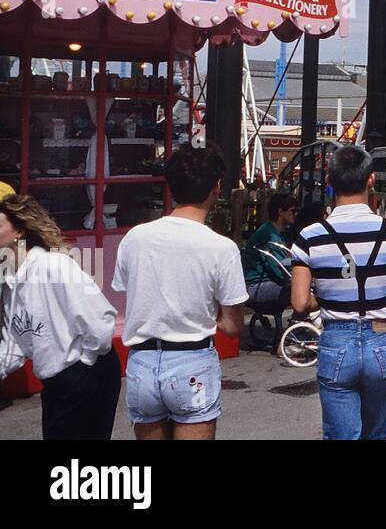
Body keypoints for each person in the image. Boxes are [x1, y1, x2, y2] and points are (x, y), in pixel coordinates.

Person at [112, 145, 247, 440]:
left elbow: (128, 293)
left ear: (171, 188)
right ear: (217, 188)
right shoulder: (221, 248)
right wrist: (216, 318)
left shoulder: (135, 238)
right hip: (192, 360)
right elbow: (234, 326)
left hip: (142, 362)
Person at [291, 146, 386, 440]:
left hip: (336, 341)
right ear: (371, 180)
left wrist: (329, 296)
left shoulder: (310, 237)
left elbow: (299, 302)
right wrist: (384, 295)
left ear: (329, 181)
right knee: (378, 434)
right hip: (380, 340)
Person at [0, 195, 121, 439]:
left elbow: (101, 323)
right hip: (57, 381)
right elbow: (13, 345)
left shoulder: (54, 265)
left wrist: (81, 365)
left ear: (19, 232)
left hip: (86, 373)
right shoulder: (8, 280)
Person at [244, 192, 297, 310]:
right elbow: (280, 271)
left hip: (268, 283)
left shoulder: (278, 233)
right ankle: (298, 323)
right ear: (280, 212)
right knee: (303, 290)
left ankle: (299, 321)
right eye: (293, 211)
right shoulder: (270, 236)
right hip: (257, 287)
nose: (296, 214)